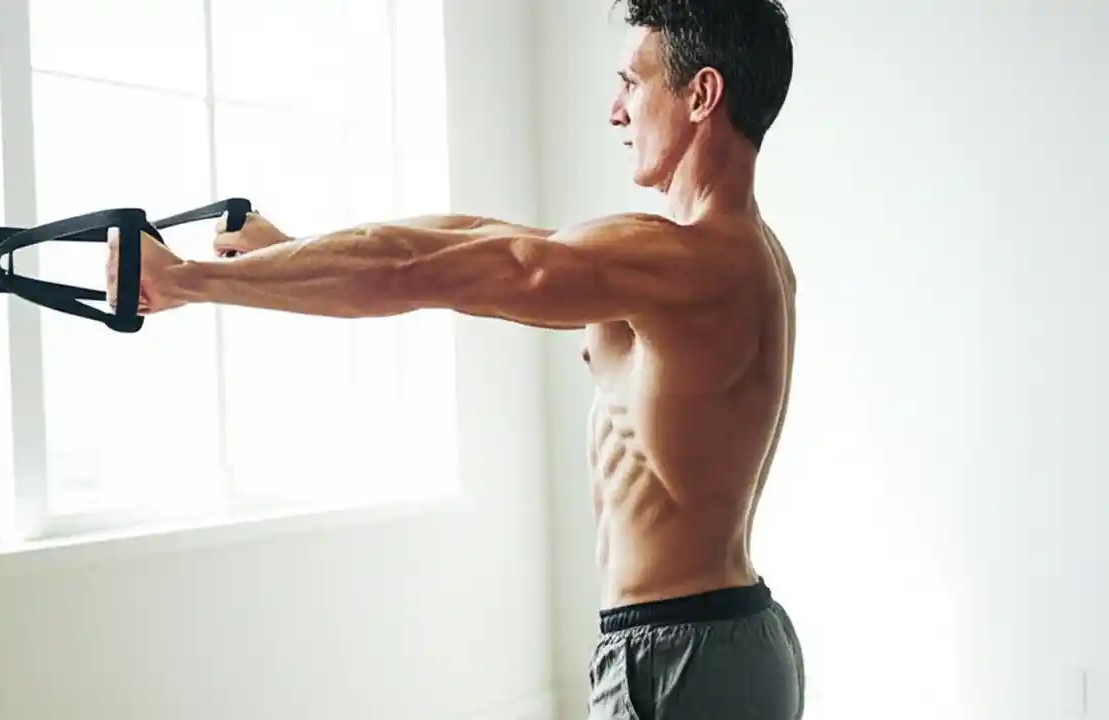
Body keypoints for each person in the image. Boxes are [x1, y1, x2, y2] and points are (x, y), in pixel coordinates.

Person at [107, 0, 801, 716]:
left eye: (632, 81)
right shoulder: (724, 255)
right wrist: (295, 252)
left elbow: (422, 273)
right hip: (721, 636)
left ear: (701, 95)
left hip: (676, 657)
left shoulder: (686, 264)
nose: (616, 111)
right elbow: (469, 237)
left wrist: (193, 281)